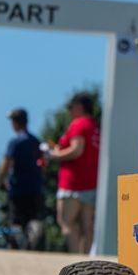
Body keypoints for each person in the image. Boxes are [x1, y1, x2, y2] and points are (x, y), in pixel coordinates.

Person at [48, 93, 100, 254]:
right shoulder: (95, 126)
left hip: (73, 185)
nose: (69, 111)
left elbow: (77, 150)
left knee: (66, 223)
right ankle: (85, 263)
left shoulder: (78, 124)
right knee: (87, 227)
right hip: (91, 182)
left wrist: (55, 154)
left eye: (70, 107)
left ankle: (74, 260)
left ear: (79, 107)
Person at [0, 107, 45, 250]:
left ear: (15, 122)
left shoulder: (15, 142)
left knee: (16, 223)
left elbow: (5, 165)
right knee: (33, 220)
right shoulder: (36, 141)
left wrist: (0, 182)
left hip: (18, 189)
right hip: (35, 188)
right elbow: (43, 164)